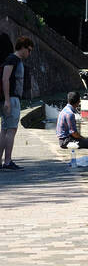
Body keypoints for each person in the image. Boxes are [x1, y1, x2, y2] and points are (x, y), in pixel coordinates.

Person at [1, 36, 34, 171]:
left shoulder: (14, 60)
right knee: (11, 130)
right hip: (12, 99)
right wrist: (8, 100)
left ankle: (3, 161)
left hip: (11, 99)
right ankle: (8, 161)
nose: (29, 53)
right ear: (22, 47)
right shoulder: (13, 59)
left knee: (5, 130)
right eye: (29, 50)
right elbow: (5, 79)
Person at [56, 92, 88, 161]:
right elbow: (74, 133)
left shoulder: (64, 110)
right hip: (66, 141)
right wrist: (84, 139)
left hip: (63, 139)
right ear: (78, 102)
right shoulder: (70, 114)